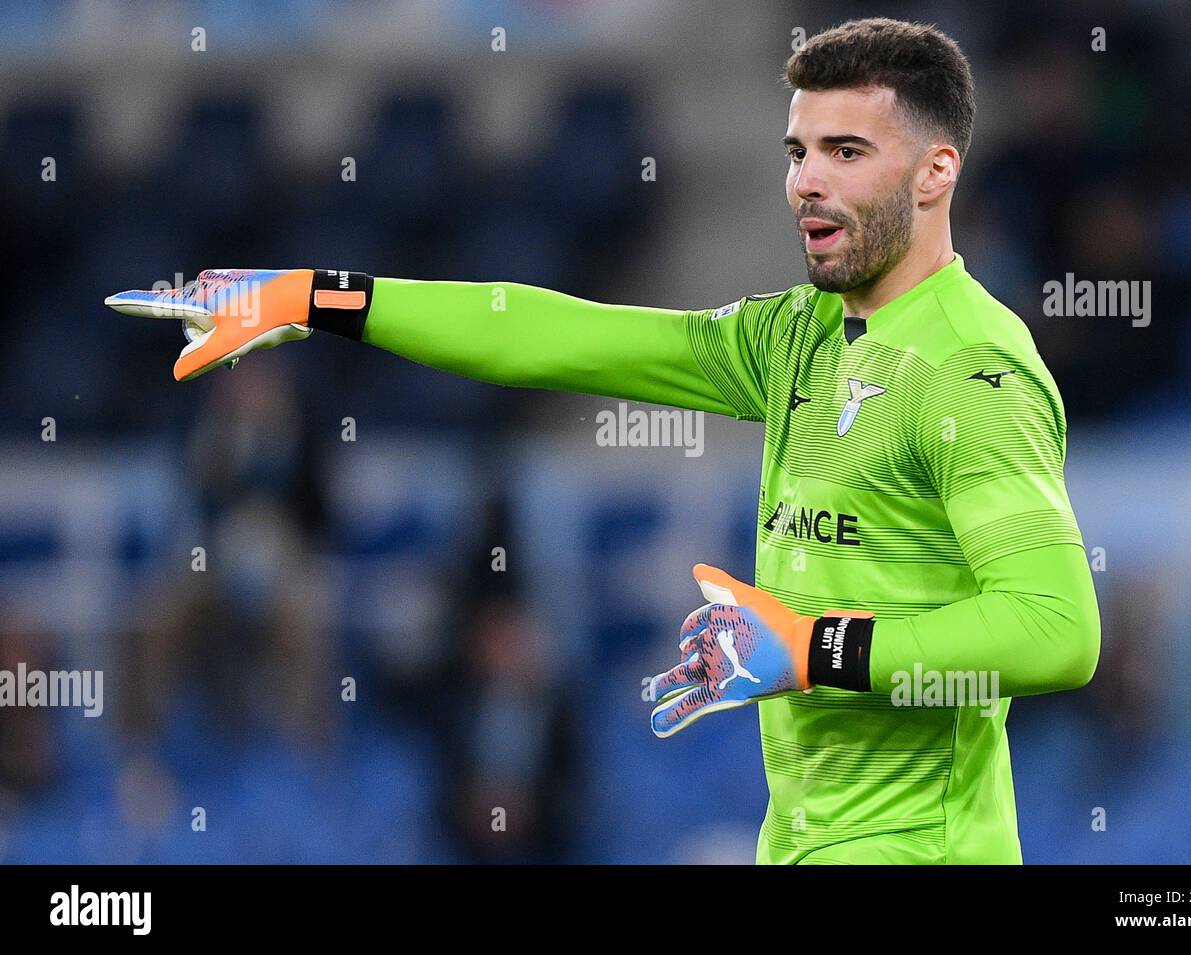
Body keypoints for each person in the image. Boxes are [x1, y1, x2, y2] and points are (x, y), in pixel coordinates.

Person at [106, 18, 1100, 864]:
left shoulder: (973, 372)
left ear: (935, 173)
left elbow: (1057, 633)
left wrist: (808, 648)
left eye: (847, 153)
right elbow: (554, 333)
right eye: (798, 151)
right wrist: (313, 298)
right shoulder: (792, 336)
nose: (805, 182)